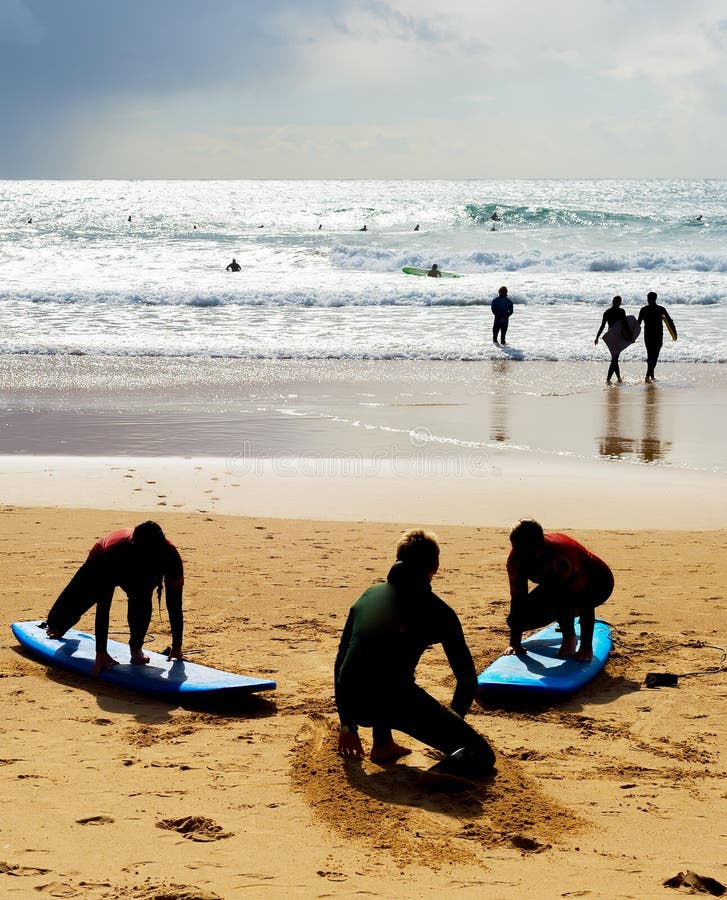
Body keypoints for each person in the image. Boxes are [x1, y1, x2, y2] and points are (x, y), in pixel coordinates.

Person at [335, 530, 495, 785]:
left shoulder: (368, 595)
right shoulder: (438, 611)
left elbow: (342, 661)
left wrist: (347, 726)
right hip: (393, 700)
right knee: (481, 754)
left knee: (385, 663)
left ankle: (383, 744)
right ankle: (436, 775)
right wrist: (453, 725)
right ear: (435, 567)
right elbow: (467, 681)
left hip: (354, 705)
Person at [45, 522, 185, 677]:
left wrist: (177, 646)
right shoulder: (115, 552)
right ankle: (58, 624)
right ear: (135, 546)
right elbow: (103, 605)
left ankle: (136, 648)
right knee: (61, 618)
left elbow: (174, 604)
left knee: (142, 601)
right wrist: (101, 651)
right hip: (100, 561)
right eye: (145, 555)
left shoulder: (170, 556)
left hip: (139, 574)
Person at [505, 519, 613, 663]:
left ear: (539, 545)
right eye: (518, 550)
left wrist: (585, 646)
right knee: (517, 621)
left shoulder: (561, 557)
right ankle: (568, 622)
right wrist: (515, 643)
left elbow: (583, 599)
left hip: (598, 584)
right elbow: (519, 599)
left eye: (527, 552)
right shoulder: (516, 559)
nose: (522, 556)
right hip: (557, 587)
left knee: (559, 591)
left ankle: (570, 636)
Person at [637, 291, 677, 383]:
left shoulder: (643, 310)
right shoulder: (661, 309)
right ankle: (648, 375)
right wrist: (674, 333)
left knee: (650, 355)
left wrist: (632, 335)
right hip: (658, 335)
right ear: (655, 299)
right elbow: (670, 321)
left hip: (647, 335)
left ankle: (651, 375)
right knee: (654, 356)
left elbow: (637, 324)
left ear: (648, 299)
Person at [594, 295, 631, 384]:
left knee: (615, 357)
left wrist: (597, 337)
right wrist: (631, 335)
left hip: (610, 336)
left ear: (612, 302)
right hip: (618, 336)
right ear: (620, 302)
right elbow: (625, 325)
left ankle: (618, 378)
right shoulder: (621, 311)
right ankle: (608, 379)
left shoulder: (607, 312)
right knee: (615, 358)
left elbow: (602, 326)